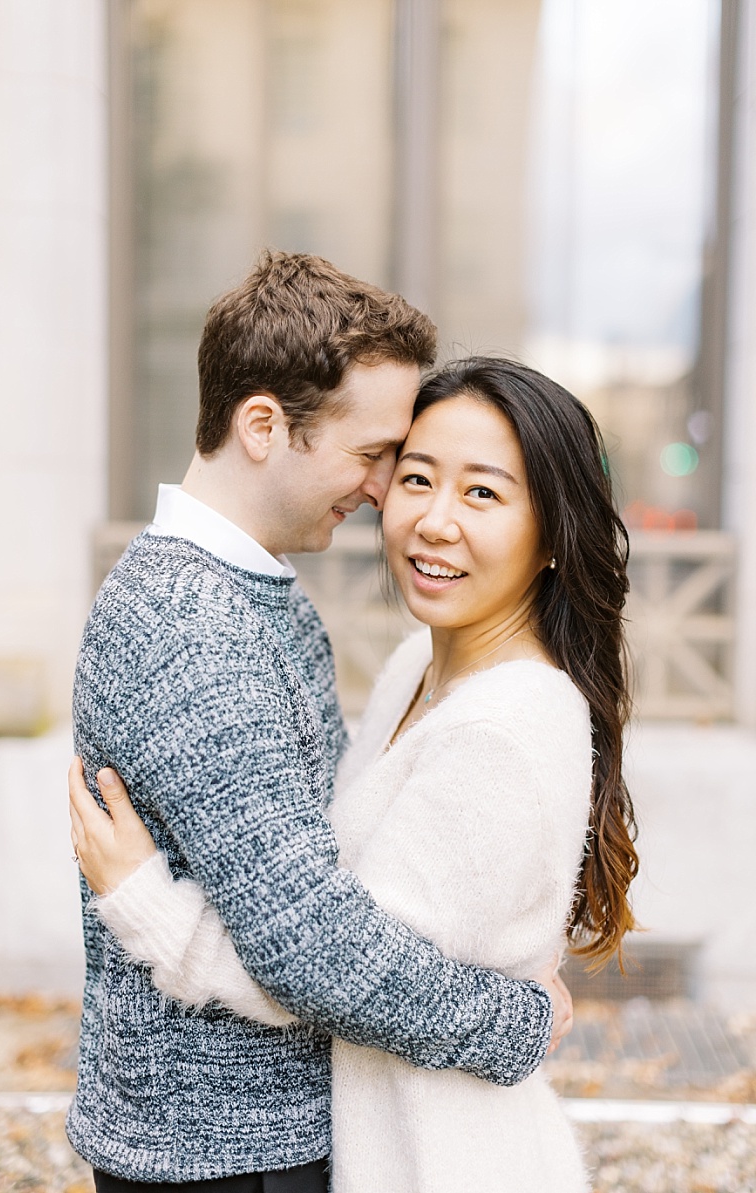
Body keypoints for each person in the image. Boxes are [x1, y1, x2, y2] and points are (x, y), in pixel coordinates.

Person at [63, 253, 573, 1192]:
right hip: (224, 1150)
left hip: (252, 1135)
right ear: (264, 425)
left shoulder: (254, 590)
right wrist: (518, 1022)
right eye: (375, 453)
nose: (386, 489)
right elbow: (314, 948)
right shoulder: (193, 626)